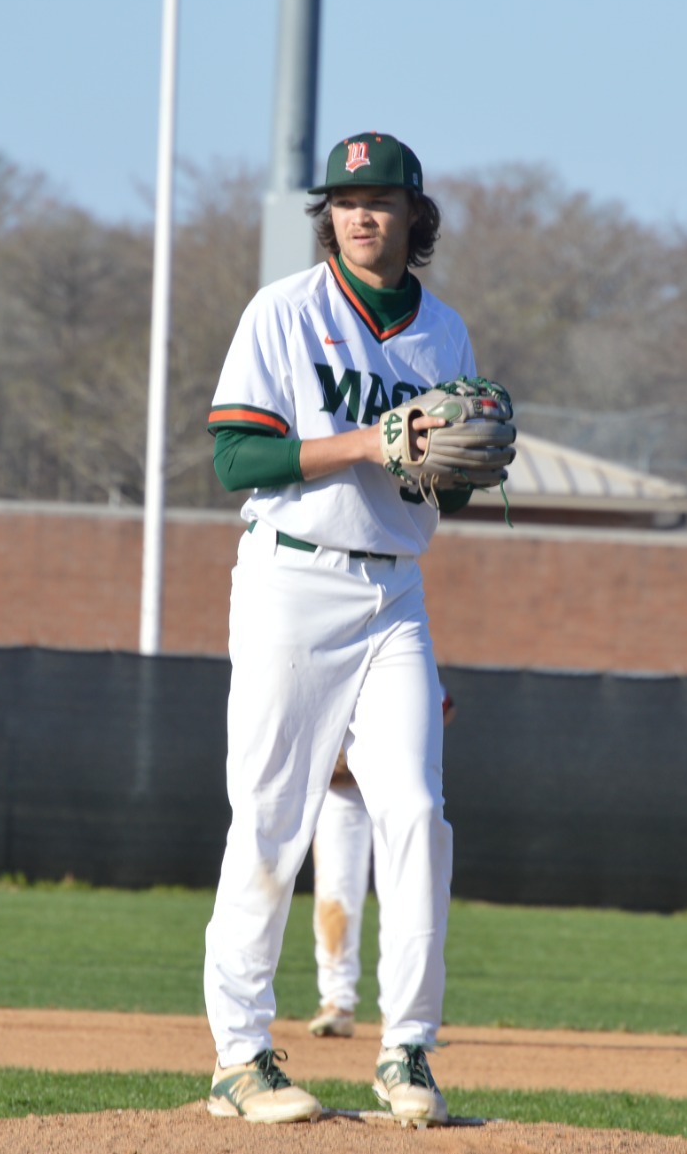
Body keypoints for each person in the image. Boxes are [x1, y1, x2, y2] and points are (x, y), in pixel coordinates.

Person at [201, 132, 486, 1128]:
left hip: (394, 592)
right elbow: (236, 461)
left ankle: (407, 1047)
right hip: (291, 582)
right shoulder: (284, 312)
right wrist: (372, 440)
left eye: (382, 199)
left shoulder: (443, 333)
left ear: (414, 215)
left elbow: (434, 479)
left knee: (413, 811)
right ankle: (239, 1056)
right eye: (347, 199)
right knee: (273, 820)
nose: (363, 215)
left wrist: (446, 463)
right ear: (332, 215)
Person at [306, 690, 456, 1042]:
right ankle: (336, 1002)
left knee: (400, 896)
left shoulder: (394, 648)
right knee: (335, 894)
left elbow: (443, 706)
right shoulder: (331, 652)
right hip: (339, 793)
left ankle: (396, 1009)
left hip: (392, 787)